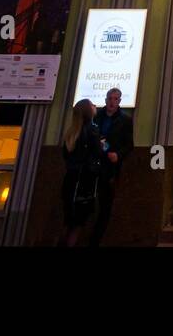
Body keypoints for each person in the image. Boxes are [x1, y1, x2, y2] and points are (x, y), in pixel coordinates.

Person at [89, 87, 134, 246]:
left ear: (120, 101)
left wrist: (118, 155)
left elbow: (129, 145)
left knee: (105, 205)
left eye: (116, 99)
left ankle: (95, 240)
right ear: (106, 99)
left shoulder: (125, 120)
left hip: (109, 167)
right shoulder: (96, 117)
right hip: (92, 164)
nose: (112, 102)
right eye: (110, 98)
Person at [59, 99, 98, 247]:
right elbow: (97, 154)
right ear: (88, 112)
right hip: (84, 183)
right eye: (92, 105)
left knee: (68, 222)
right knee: (77, 225)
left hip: (70, 181)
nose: (95, 106)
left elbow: (66, 156)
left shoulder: (71, 133)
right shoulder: (92, 131)